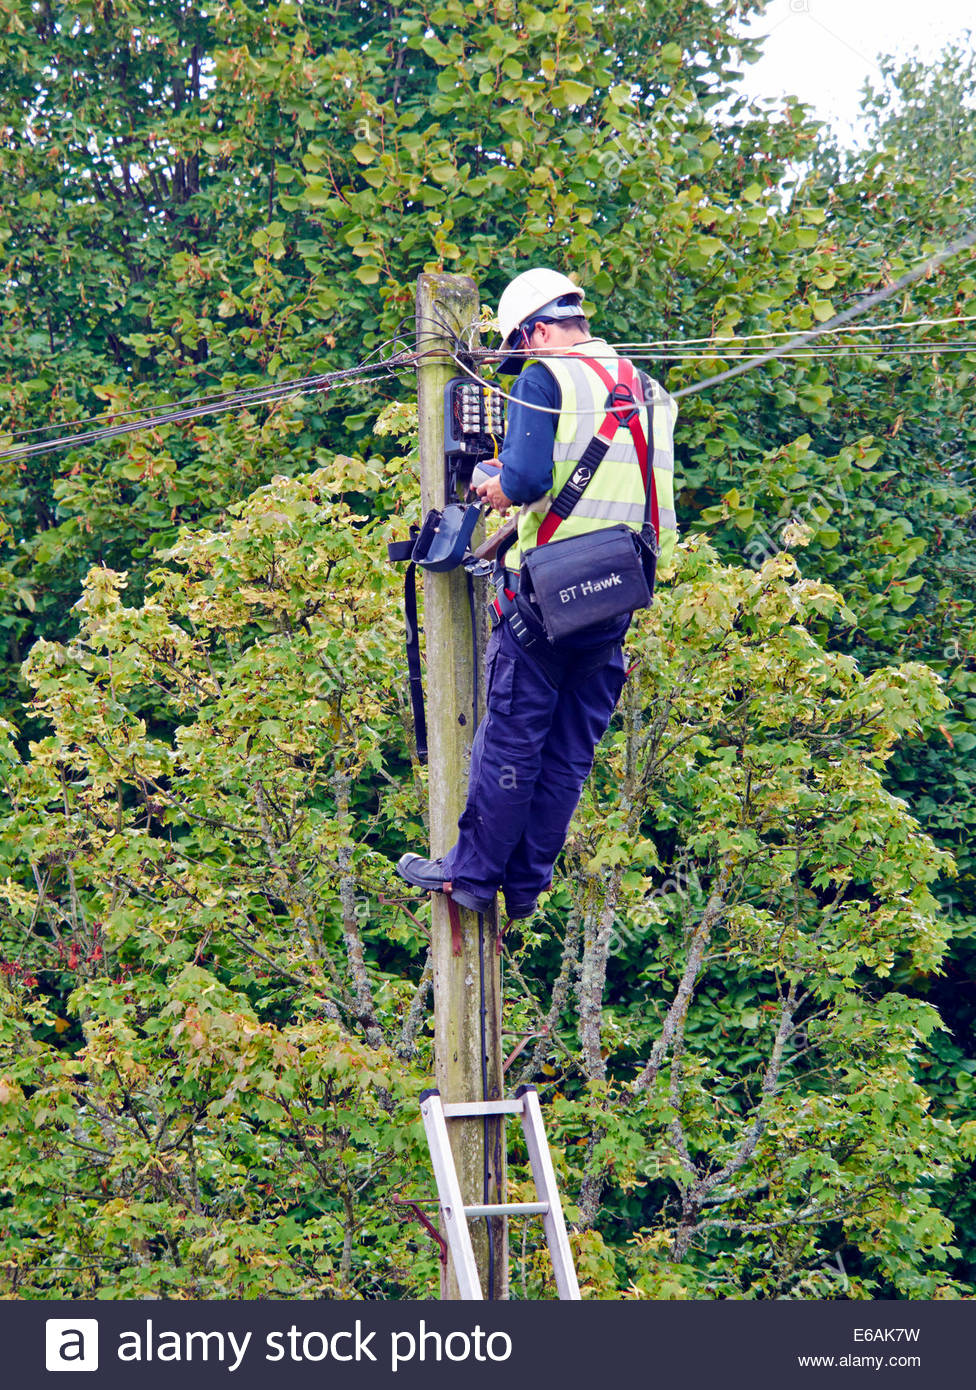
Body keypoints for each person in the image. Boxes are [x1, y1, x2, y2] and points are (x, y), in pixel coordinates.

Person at [397, 268, 677, 920]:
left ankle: (469, 875)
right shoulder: (650, 390)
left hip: (545, 598)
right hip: (616, 595)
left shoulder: (546, 378)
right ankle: (523, 888)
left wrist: (494, 484)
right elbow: (642, 500)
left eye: (521, 346)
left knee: (513, 741)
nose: (521, 359)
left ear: (540, 330)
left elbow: (522, 478)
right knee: (568, 753)